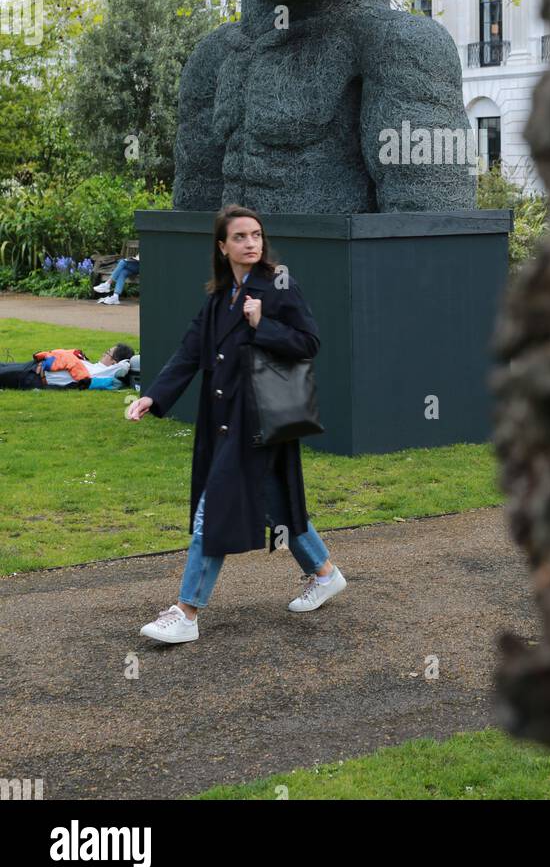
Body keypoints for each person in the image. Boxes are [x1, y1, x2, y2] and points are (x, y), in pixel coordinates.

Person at [126, 203, 345, 644]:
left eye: (256, 235)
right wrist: (154, 394)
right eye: (240, 237)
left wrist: (264, 325)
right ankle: (324, 572)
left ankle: (186, 611)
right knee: (273, 500)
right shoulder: (218, 297)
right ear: (222, 245)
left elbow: (309, 341)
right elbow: (189, 352)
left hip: (260, 417)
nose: (250, 243)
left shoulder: (278, 282)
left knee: (216, 507)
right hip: (223, 420)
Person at [0, 343, 135, 390]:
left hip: (33, 376)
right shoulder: (95, 367)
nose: (103, 354)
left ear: (113, 362)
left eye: (107, 353)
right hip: (34, 367)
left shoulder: (105, 373)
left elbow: (124, 365)